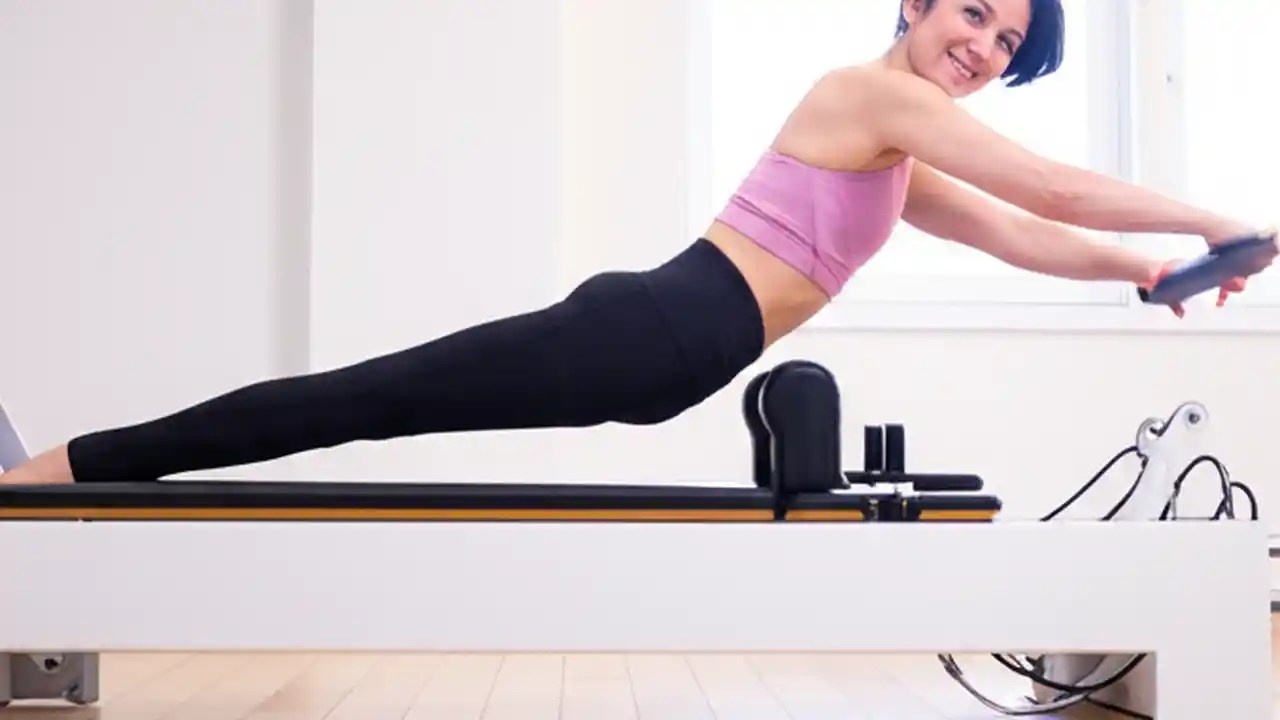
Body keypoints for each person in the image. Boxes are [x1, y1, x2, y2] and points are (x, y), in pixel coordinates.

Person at [2, 0, 1275, 486]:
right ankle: (64, 469)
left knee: (369, 404)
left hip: (663, 350)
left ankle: (66, 468)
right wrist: (1211, 216)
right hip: (655, 326)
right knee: (361, 403)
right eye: (974, 15)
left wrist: (1152, 273)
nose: (981, 49)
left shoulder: (901, 155)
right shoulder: (872, 93)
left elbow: (1019, 233)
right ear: (914, 4)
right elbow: (1051, 187)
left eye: (1005, 45)